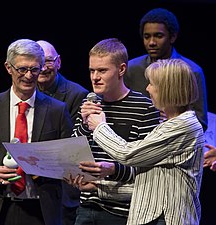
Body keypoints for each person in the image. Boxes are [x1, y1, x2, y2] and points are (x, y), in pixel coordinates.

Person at [0, 39, 73, 225]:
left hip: (41, 210)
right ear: (8, 67)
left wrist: (43, 170)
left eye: (35, 69)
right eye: (22, 69)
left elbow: (68, 159)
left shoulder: (57, 110)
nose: (29, 76)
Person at [82, 58, 204, 225]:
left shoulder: (183, 126)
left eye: (152, 84)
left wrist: (99, 127)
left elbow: (126, 154)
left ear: (168, 89)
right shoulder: (171, 124)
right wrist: (99, 187)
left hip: (166, 219)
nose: (148, 89)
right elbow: (154, 185)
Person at [68, 38, 160, 225]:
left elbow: (146, 167)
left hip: (122, 212)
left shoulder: (144, 107)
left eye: (102, 70)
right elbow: (73, 151)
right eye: (92, 70)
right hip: (86, 207)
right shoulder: (89, 103)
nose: (95, 77)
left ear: (121, 69)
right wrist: (85, 125)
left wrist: (112, 169)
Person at [124, 7, 208, 131]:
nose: (151, 42)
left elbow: (201, 122)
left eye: (158, 36)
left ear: (172, 37)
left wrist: (173, 120)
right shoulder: (131, 69)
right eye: (147, 36)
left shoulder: (191, 71)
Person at [36, 40, 89, 225]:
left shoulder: (77, 95)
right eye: (38, 62)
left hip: (64, 190)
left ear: (58, 62)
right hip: (33, 189)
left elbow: (72, 144)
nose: (42, 68)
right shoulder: (27, 92)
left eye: (48, 61)